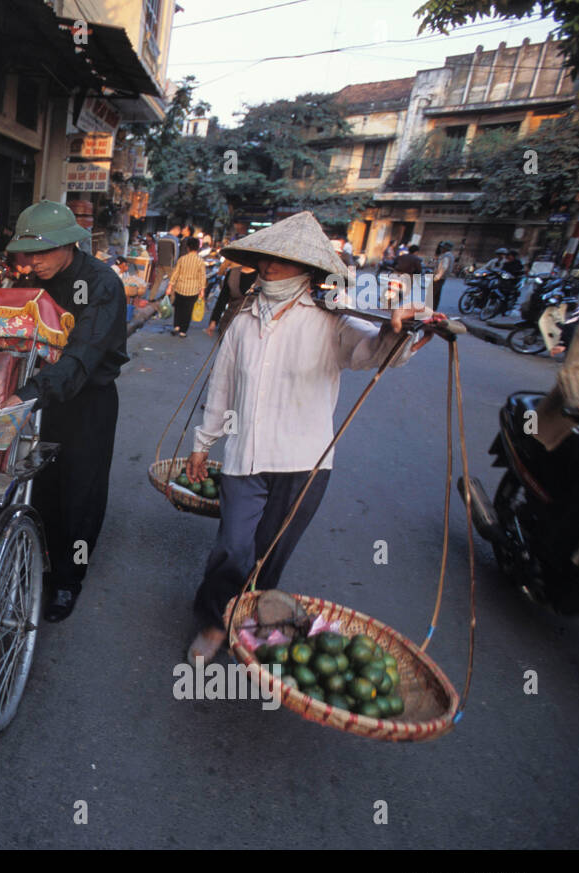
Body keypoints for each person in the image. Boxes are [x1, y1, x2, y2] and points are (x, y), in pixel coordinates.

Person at [183, 211, 439, 664]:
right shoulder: (242, 319)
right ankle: (213, 619)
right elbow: (222, 387)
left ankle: (251, 617)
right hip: (245, 456)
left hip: (305, 461)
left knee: (270, 552)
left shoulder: (332, 321)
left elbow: (371, 353)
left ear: (309, 272)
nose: (268, 270)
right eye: (265, 261)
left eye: (281, 263)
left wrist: (395, 329)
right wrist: (203, 444)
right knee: (233, 546)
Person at [1, 200, 129, 622]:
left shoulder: (101, 284)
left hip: (85, 400)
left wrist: (25, 396)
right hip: (37, 397)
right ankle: (36, 559)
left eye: (42, 253)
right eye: (27, 253)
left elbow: (80, 359)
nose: (33, 262)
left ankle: (69, 579)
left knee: (80, 492)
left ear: (70, 245)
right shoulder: (30, 282)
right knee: (38, 484)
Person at [167, 236, 207, 337]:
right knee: (187, 311)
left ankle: (176, 326)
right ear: (198, 248)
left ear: (188, 247)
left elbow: (175, 273)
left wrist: (170, 286)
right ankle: (183, 331)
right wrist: (202, 290)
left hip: (180, 288)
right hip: (193, 290)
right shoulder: (200, 261)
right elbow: (202, 277)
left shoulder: (182, 259)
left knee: (178, 308)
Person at [204, 261, 257, 337]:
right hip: (229, 320)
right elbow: (222, 299)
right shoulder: (232, 273)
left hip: (251, 328)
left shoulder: (262, 277)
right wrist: (214, 320)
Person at [432, 240, 455, 310]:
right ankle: (433, 309)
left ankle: (429, 310)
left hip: (439, 278)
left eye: (442, 248)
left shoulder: (446, 256)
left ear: (445, 248)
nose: (441, 249)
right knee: (436, 295)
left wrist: (437, 277)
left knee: (432, 294)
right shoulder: (450, 255)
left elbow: (443, 267)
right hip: (442, 278)